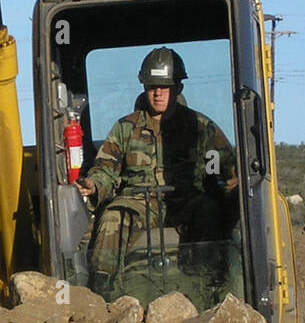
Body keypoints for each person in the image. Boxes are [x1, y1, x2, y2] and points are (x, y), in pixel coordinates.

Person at [75, 47, 239, 302]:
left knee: (208, 211)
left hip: (185, 200)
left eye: (165, 86)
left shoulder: (200, 127)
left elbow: (227, 165)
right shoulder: (125, 128)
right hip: (137, 202)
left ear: (178, 89)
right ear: (144, 87)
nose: (158, 93)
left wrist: (234, 181)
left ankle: (211, 292)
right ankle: (102, 297)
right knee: (111, 219)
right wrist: (93, 185)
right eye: (152, 86)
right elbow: (106, 169)